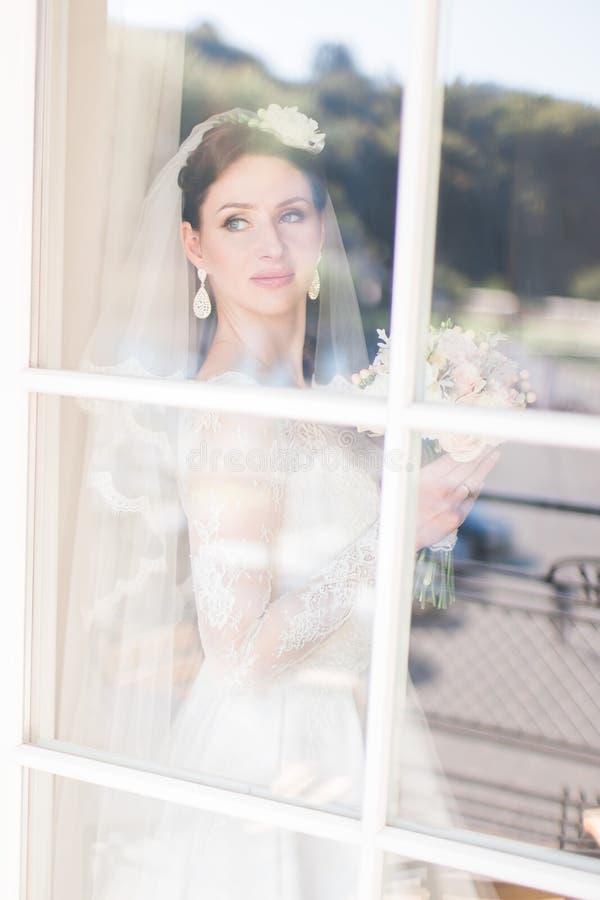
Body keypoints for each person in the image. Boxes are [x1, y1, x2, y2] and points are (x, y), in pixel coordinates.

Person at [54, 106, 498, 899]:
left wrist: (443, 485)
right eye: (236, 221)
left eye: (291, 215)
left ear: (321, 230)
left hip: (356, 730)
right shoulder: (235, 412)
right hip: (276, 760)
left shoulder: (319, 401)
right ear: (194, 246)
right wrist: (402, 528)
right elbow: (241, 654)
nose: (270, 246)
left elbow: (367, 594)